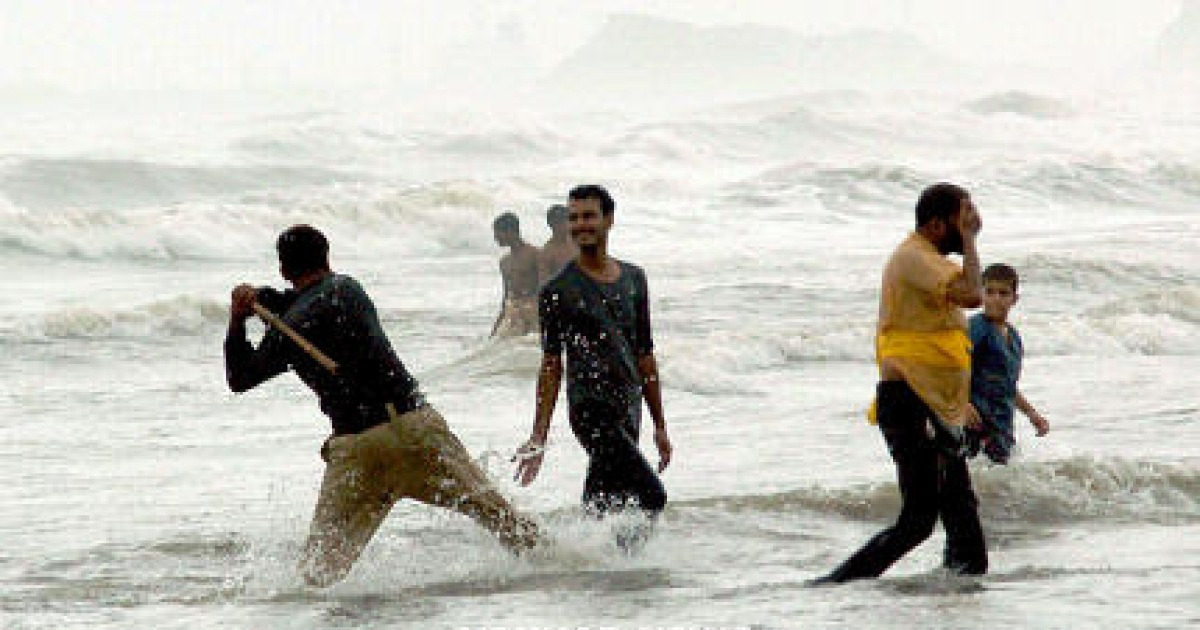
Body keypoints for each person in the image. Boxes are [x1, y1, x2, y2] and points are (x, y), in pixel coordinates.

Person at [225, 224, 541, 587]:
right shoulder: (348, 290)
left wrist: (237, 320)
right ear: (328, 255)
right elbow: (309, 303)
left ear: (284, 271)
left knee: (316, 577)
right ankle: (568, 570)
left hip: (359, 452)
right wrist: (264, 300)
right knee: (509, 526)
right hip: (415, 430)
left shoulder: (290, 330)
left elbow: (240, 377)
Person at [814, 183, 988, 584]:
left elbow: (939, 336)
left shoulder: (929, 260)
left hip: (935, 402)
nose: (972, 223)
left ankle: (954, 589)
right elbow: (972, 294)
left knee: (964, 523)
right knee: (918, 520)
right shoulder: (914, 257)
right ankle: (834, 586)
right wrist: (972, 241)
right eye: (963, 218)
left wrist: (960, 401)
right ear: (935, 224)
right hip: (909, 402)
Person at [514, 185, 672, 546]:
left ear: (608, 220)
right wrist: (539, 435)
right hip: (590, 409)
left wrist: (660, 425)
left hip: (627, 405)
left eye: (588, 216)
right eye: (574, 218)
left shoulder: (635, 279)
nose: (580, 224)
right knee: (651, 496)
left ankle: (586, 564)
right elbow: (551, 364)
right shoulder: (557, 290)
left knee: (610, 500)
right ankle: (612, 560)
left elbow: (645, 355)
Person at [964, 263, 1050, 464]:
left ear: (1014, 299)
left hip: (1001, 426)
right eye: (990, 292)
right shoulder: (976, 328)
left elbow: (1007, 386)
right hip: (974, 424)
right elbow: (951, 368)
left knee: (998, 485)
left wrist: (1031, 413)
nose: (996, 299)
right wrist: (962, 404)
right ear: (981, 294)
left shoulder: (1014, 337)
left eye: (1003, 293)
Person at [490, 212, 541, 337]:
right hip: (513, 310)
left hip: (534, 308)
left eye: (498, 233)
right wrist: (497, 325)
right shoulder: (504, 262)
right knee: (503, 346)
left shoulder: (535, 255)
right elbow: (506, 294)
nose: (496, 237)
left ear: (511, 231)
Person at [538, 203, 578, 286]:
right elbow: (544, 283)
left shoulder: (578, 243)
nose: (566, 224)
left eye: (567, 220)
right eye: (560, 222)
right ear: (551, 224)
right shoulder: (547, 252)